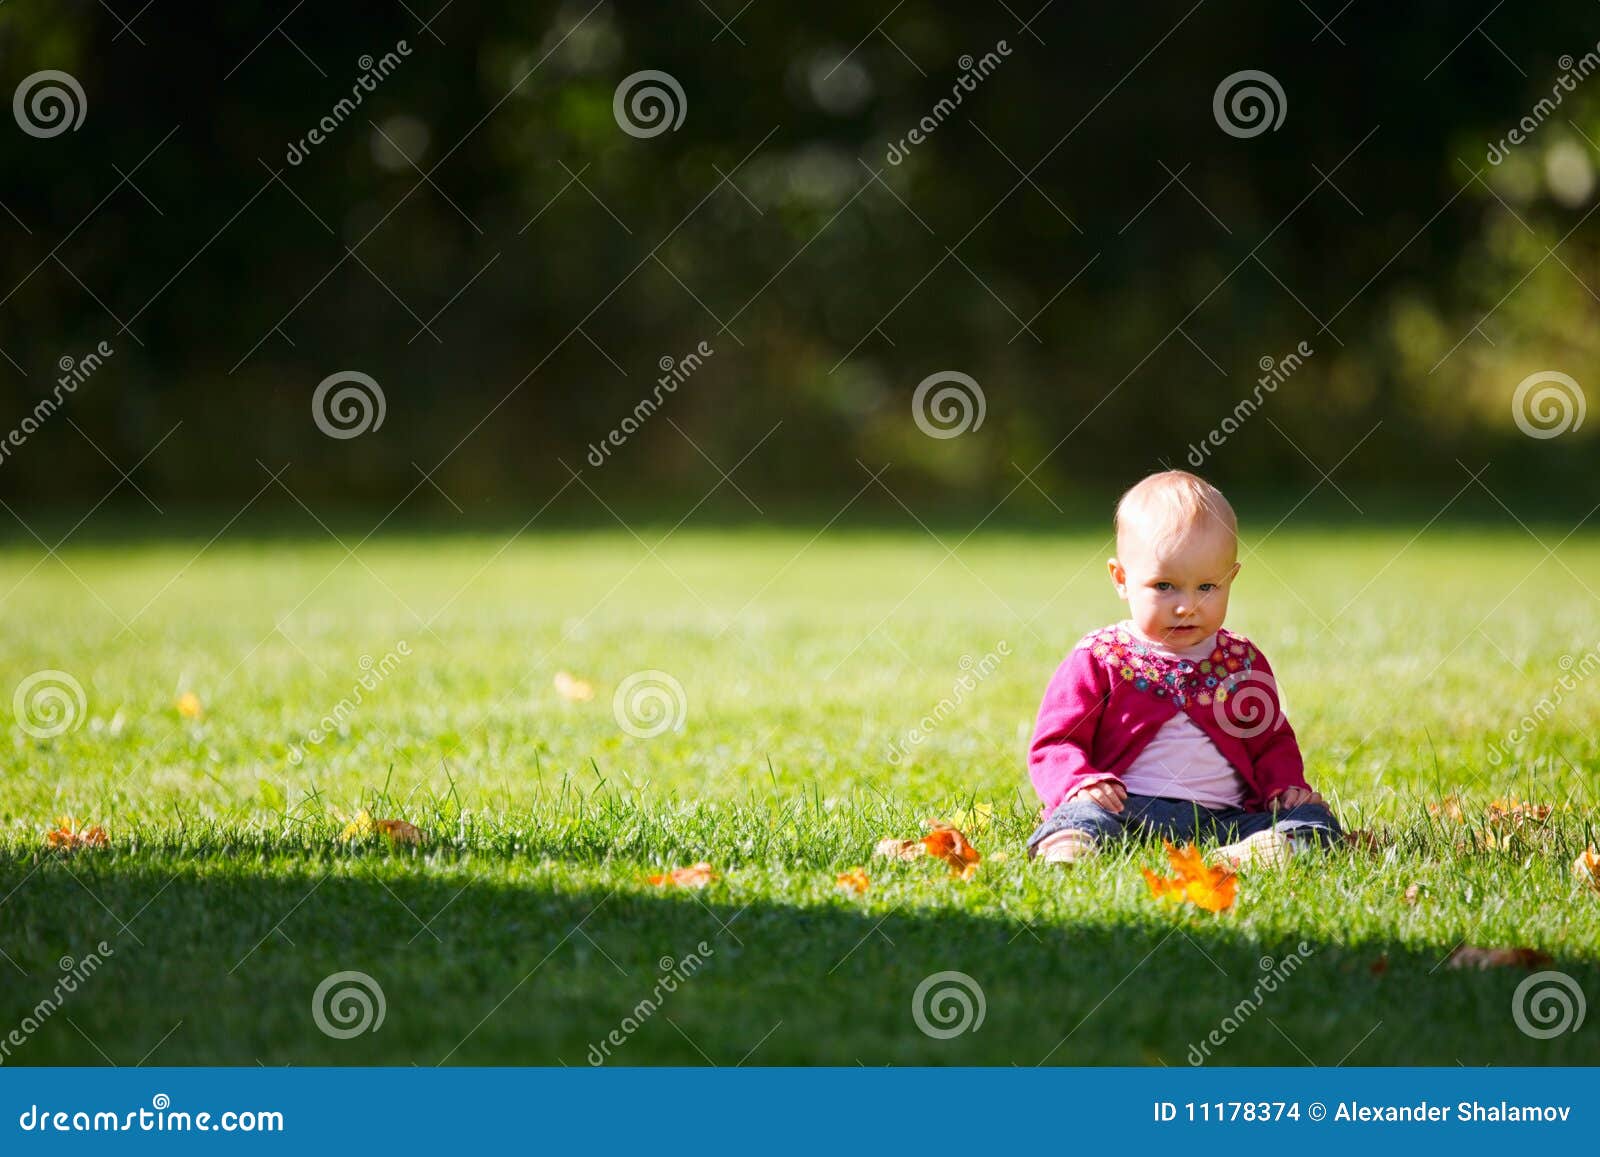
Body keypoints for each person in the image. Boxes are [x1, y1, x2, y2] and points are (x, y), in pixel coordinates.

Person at [1025, 470, 1342, 867]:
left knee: (1315, 821)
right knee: (1084, 816)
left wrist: (1285, 787)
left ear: (1231, 578)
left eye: (1207, 587)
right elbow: (1055, 742)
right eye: (1164, 586)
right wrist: (1079, 782)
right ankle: (1072, 846)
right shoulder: (1102, 657)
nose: (1187, 606)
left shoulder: (1240, 662)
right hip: (1126, 812)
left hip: (1227, 820)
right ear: (1121, 579)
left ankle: (1255, 853)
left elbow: (1270, 741)